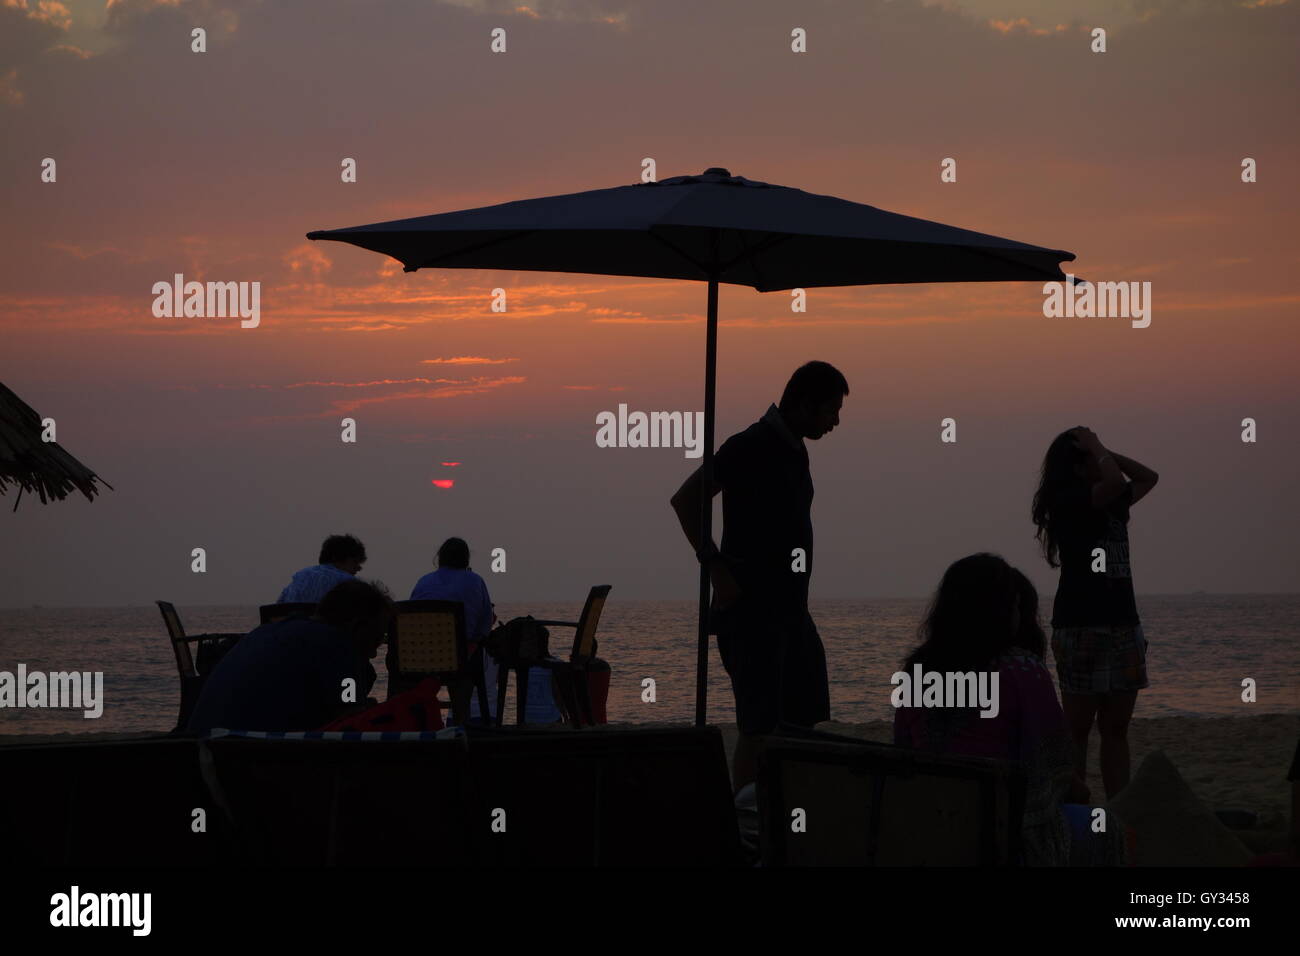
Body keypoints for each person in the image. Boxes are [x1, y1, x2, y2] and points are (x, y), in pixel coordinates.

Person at [670, 360, 848, 792]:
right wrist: (715, 566)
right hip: (752, 612)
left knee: (806, 717)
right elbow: (686, 498)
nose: (835, 422)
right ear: (805, 405)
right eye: (830, 411)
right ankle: (748, 819)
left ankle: (786, 812)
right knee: (758, 724)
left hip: (791, 611)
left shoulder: (794, 449)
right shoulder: (750, 445)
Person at [894, 554, 1101, 866]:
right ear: (1000, 612)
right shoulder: (1022, 669)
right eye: (1014, 606)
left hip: (926, 828)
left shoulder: (915, 673)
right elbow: (1055, 770)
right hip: (997, 834)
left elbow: (903, 751)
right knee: (1105, 829)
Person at [1032, 426, 1159, 798]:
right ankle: (1078, 809)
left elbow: (1148, 478)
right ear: (1075, 466)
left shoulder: (1114, 499)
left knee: (1117, 727)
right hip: (1082, 626)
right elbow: (1115, 484)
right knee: (1078, 729)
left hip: (1123, 624)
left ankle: (1118, 810)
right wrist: (1095, 448)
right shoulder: (1071, 500)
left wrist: (1101, 449)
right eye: (1089, 455)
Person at [186, 579, 394, 734]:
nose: (374, 652)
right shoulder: (338, 644)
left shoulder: (267, 632)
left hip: (199, 747)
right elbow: (350, 721)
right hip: (239, 761)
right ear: (357, 626)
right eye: (376, 638)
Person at [277, 534, 367, 604]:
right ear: (336, 558)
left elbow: (276, 611)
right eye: (355, 562)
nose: (359, 568)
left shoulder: (299, 577)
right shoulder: (349, 584)